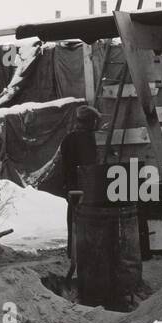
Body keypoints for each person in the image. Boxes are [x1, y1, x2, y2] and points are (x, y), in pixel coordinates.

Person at [60, 105, 101, 259]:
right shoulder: (88, 139)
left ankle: (73, 252)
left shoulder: (68, 138)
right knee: (88, 220)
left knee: (74, 219)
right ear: (90, 122)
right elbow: (90, 165)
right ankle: (86, 253)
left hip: (72, 185)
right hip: (86, 185)